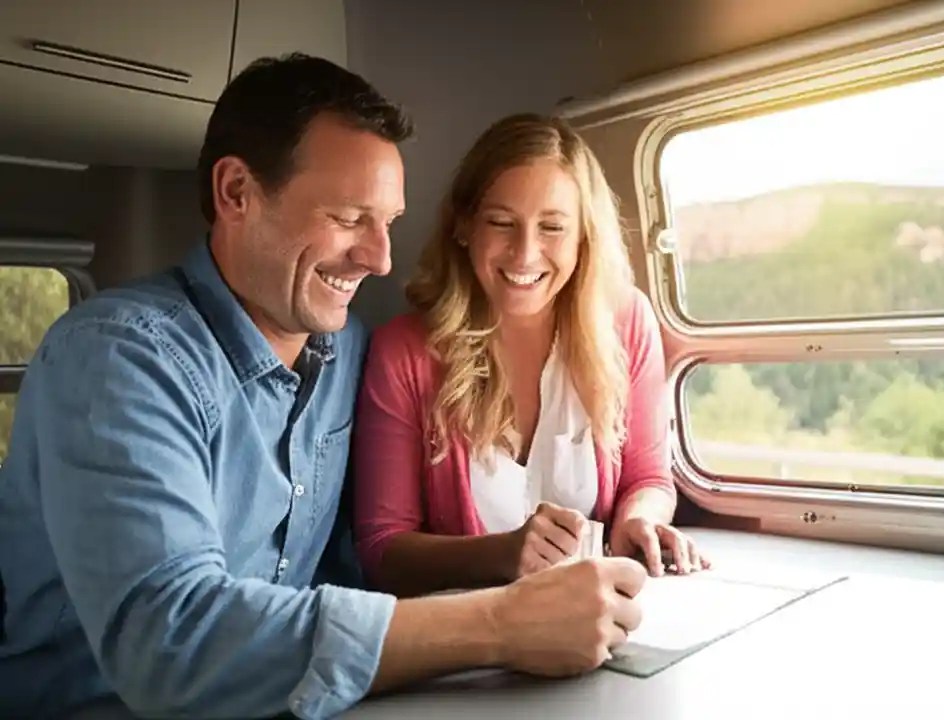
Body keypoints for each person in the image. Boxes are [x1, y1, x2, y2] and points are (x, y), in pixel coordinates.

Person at [0, 55, 646, 720]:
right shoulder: (119, 357)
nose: (380, 258)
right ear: (236, 192)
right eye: (347, 217)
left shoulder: (345, 352)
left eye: (387, 222)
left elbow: (355, 563)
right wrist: (501, 624)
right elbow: (171, 641)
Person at [351, 113, 710, 599]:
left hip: (589, 614)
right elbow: (381, 550)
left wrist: (637, 521)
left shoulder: (628, 323)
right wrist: (499, 554)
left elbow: (647, 479)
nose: (524, 254)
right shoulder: (403, 352)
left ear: (584, 236)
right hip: (463, 627)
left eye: (553, 228)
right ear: (464, 226)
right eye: (501, 223)